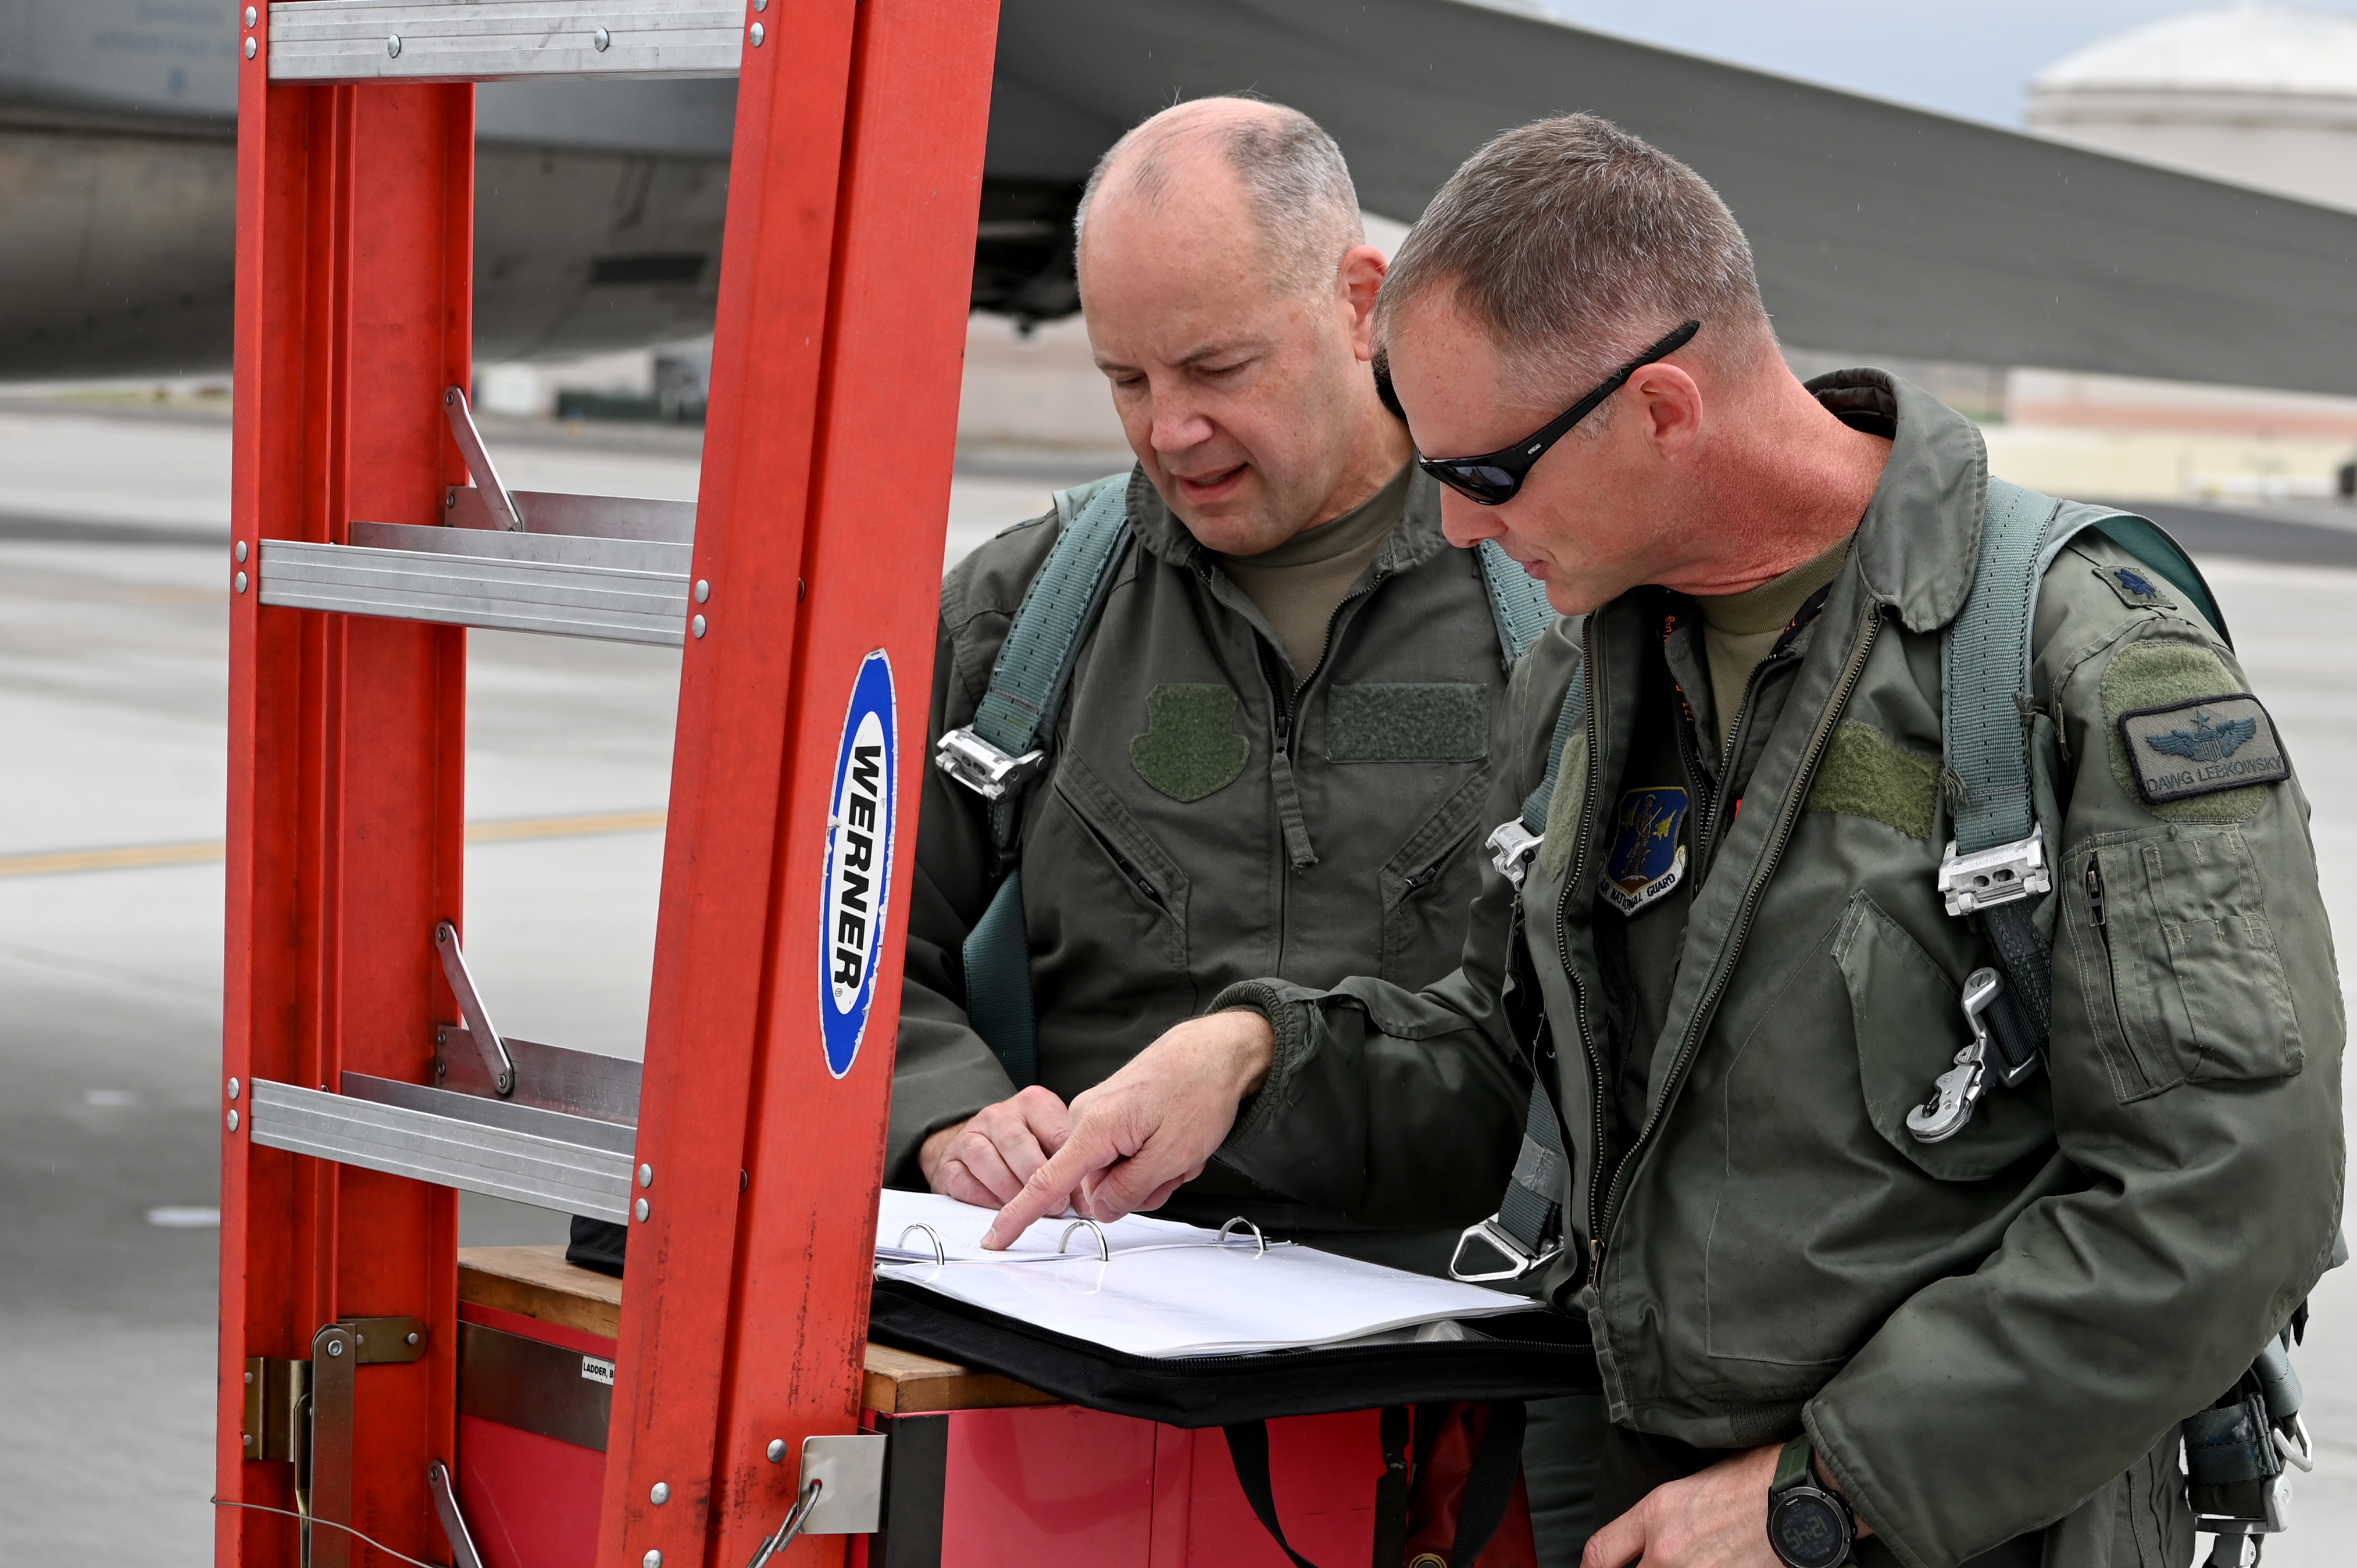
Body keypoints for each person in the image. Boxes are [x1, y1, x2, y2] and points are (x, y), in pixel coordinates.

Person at [983, 115, 2345, 1568]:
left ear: (1661, 411)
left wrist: (1825, 1493)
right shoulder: (1589, 672)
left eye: (1489, 476)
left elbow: (2224, 1192)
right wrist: (1251, 1060)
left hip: (1955, 1528)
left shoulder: (2071, 665)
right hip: (1632, 1509)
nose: (1449, 529)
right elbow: (1523, 1067)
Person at [893, 91, 1604, 1562]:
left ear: (1360, 303)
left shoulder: (1565, 602)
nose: (1173, 430)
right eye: (1125, 380)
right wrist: (943, 1109)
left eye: (1217, 366)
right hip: (1088, 1420)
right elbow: (834, 954)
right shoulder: (1026, 616)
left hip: (1460, 1413)